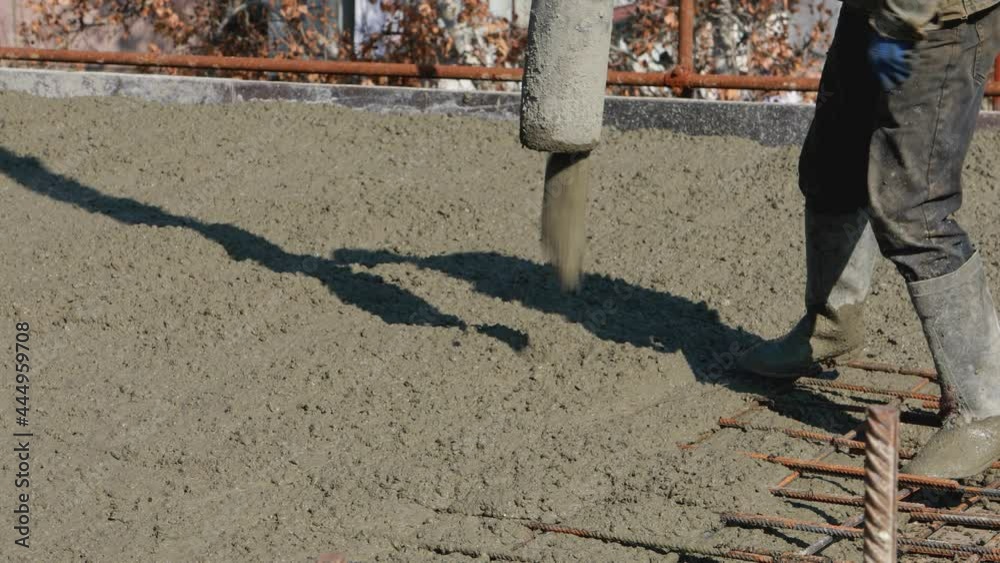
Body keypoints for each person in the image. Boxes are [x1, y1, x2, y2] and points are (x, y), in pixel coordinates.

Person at [737, 0, 1000, 479]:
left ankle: (985, 407)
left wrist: (901, 20)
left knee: (914, 206)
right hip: (875, 9)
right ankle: (832, 325)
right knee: (832, 167)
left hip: (934, 16)